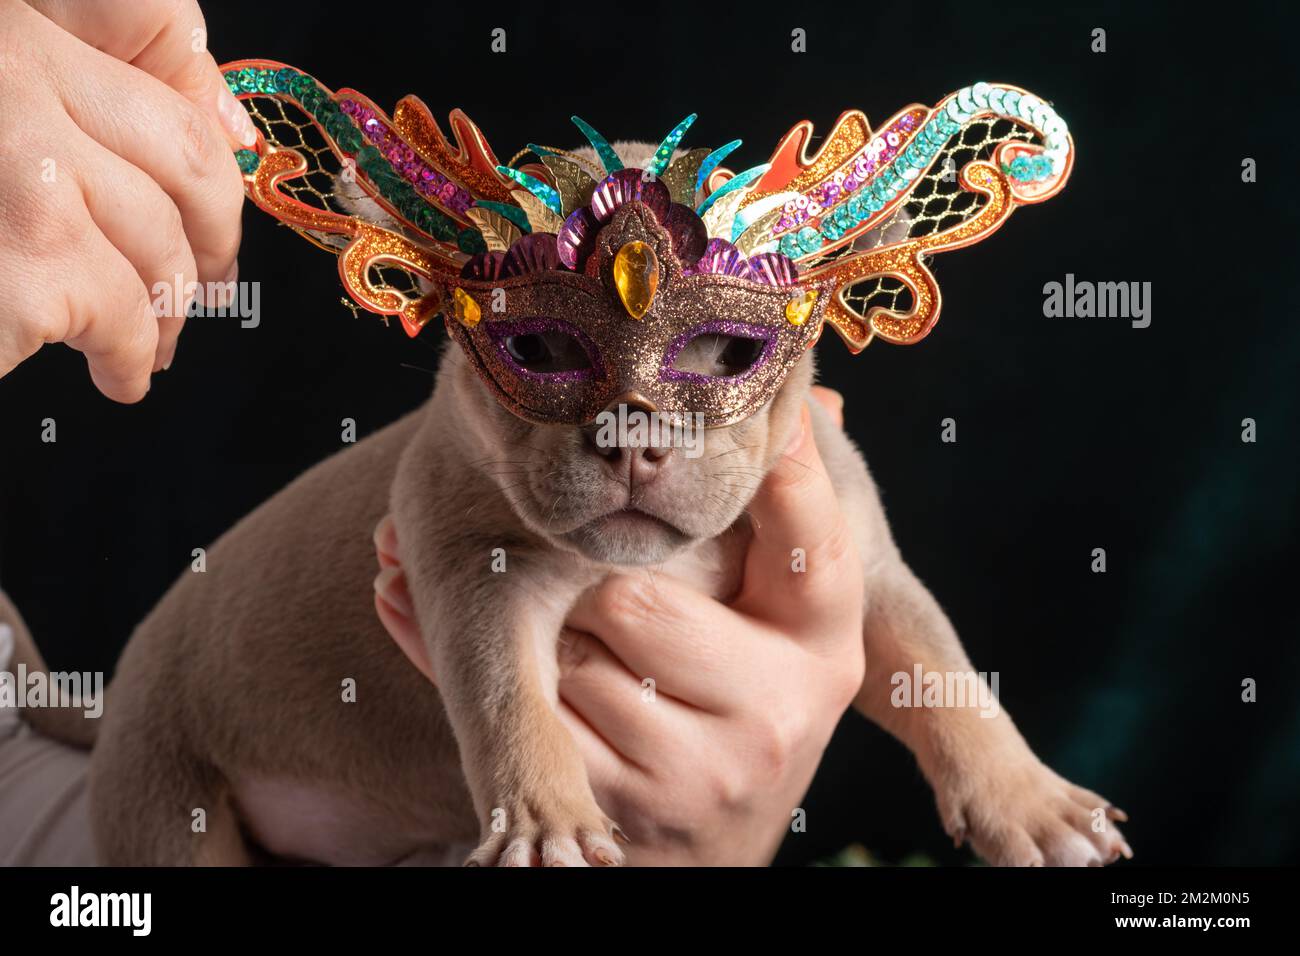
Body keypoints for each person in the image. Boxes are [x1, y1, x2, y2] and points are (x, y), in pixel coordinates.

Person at [0, 0, 866, 865]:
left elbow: (880, 606)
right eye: (537, 348)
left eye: (730, 354)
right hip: (176, 750)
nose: (633, 434)